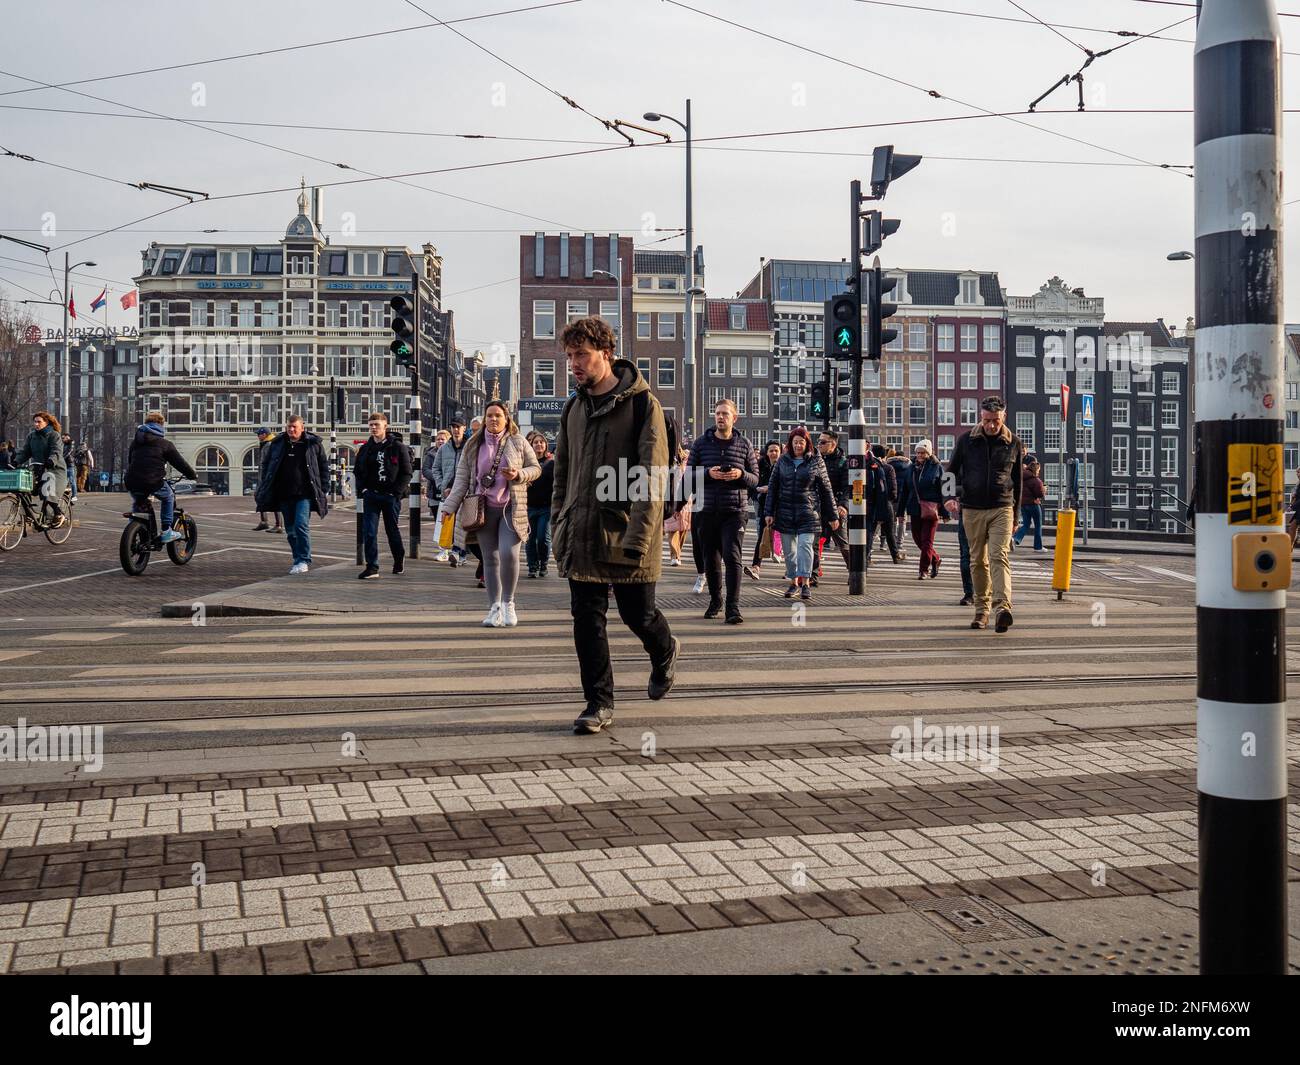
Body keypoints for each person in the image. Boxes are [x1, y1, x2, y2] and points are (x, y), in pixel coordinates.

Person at [550, 315, 677, 735]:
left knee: (638, 615)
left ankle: (665, 650)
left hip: (625, 532)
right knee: (587, 617)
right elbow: (562, 474)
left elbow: (653, 477)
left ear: (607, 354)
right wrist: (557, 524)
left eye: (582, 356)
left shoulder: (644, 406)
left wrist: (639, 538)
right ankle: (598, 702)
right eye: (570, 357)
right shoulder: (572, 408)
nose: (574, 365)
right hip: (580, 531)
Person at [440, 399, 540, 626]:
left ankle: (509, 604)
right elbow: (462, 480)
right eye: (489, 416)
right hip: (482, 510)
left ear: (506, 419)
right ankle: (494, 608)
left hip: (510, 509)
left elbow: (536, 469)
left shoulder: (517, 441)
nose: (493, 419)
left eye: (498, 415)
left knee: (508, 554)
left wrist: (519, 475)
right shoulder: (473, 445)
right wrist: (449, 507)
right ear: (484, 419)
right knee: (490, 559)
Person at [943, 395, 1025, 632]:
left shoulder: (1014, 443)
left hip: (1002, 507)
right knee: (978, 560)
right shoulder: (966, 440)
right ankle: (982, 610)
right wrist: (948, 498)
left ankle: (1003, 608)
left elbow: (1018, 483)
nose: (991, 425)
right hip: (972, 509)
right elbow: (950, 472)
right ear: (981, 417)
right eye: (987, 420)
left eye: (996, 421)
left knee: (999, 555)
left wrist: (1016, 517)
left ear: (1004, 417)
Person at [686, 399, 758, 624]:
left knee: (732, 556)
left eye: (725, 414)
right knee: (711, 559)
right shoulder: (700, 444)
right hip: (706, 510)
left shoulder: (744, 444)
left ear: (734, 418)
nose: (720, 417)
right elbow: (688, 476)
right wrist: (709, 474)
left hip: (734, 510)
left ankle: (733, 607)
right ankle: (715, 599)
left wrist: (740, 475)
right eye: (717, 413)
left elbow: (755, 479)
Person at [764, 426, 837, 602]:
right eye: (795, 442)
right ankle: (793, 581)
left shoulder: (816, 461)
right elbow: (773, 487)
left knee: (805, 547)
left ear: (807, 444)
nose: (798, 445)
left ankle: (805, 582)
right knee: (789, 551)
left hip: (808, 512)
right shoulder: (782, 461)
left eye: (801, 442)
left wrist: (833, 515)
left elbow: (826, 489)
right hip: (785, 512)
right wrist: (769, 512)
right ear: (791, 443)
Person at [254, 414, 330, 575]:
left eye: (294, 427)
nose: (291, 429)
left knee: (301, 525)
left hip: (304, 494)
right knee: (290, 530)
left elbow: (323, 465)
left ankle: (303, 559)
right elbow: (267, 464)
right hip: (284, 494)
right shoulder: (277, 443)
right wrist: (264, 486)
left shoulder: (312, 444)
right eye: (289, 426)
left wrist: (324, 487)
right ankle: (297, 559)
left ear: (302, 427)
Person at [123, 412, 197, 543]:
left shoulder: (135, 442)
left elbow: (130, 461)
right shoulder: (164, 444)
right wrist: (192, 474)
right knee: (168, 496)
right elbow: (180, 463)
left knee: (140, 502)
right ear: (161, 425)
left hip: (131, 480)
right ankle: (166, 530)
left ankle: (134, 531)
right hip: (152, 481)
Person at [354, 412, 411, 579]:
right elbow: (358, 471)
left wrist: (396, 492)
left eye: (376, 424)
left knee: (391, 530)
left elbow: (407, 472)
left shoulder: (397, 447)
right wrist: (363, 490)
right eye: (371, 424)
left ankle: (399, 559)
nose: (373, 427)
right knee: (369, 531)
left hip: (390, 496)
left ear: (385, 426)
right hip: (371, 495)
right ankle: (372, 567)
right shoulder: (365, 449)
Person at [906, 439, 946, 581]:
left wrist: (945, 512)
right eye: (918, 452)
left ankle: (923, 570)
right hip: (915, 508)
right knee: (918, 539)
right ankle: (935, 558)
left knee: (927, 541)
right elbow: (905, 490)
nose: (920, 455)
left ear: (929, 453)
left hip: (931, 509)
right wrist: (900, 512)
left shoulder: (937, 467)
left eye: (923, 452)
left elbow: (943, 490)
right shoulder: (911, 467)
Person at [745, 441, 783, 580]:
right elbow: (753, 482)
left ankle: (792, 570)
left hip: (782, 507)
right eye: (771, 451)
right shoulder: (760, 465)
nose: (773, 453)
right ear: (766, 452)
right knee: (762, 536)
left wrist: (771, 489)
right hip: (765, 506)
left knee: (787, 538)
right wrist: (756, 492)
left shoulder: (785, 465)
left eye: (776, 450)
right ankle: (756, 567)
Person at [15, 412, 69, 511]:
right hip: (39, 469)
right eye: (35, 422)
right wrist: (16, 461)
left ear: (46, 422)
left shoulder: (54, 435)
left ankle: (58, 513)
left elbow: (56, 451)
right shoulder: (32, 436)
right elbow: (25, 452)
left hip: (55, 470)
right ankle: (29, 514)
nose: (36, 424)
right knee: (23, 489)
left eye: (39, 422)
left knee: (47, 491)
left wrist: (50, 461)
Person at [435, 417, 470, 566]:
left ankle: (461, 553)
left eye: (458, 427)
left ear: (464, 428)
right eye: (453, 427)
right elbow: (435, 468)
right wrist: (442, 486)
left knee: (463, 523)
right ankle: (454, 551)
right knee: (450, 522)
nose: (456, 430)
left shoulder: (470, 446)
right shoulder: (444, 449)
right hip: (449, 491)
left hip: (467, 492)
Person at [525, 430, 554, 578]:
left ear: (545, 445)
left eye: (541, 442)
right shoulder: (526, 462)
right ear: (531, 445)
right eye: (535, 442)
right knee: (530, 539)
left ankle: (543, 563)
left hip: (545, 507)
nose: (538, 444)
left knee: (543, 537)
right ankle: (532, 566)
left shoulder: (551, 463)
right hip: (529, 506)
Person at [252, 428, 283, 533]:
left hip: (269, 477)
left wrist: (269, 476)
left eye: (259, 435)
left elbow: (270, 461)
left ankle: (278, 525)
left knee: (273, 499)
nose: (258, 437)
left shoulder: (269, 445)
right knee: (259, 496)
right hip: (265, 476)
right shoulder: (266, 444)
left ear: (264, 434)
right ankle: (264, 521)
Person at [1013, 456, 1046, 552]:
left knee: (1026, 524)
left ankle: (1015, 539)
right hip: (1033, 504)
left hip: (1023, 504)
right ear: (1035, 470)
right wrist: (1044, 490)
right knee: (1038, 525)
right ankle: (1038, 547)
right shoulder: (1036, 481)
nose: (1039, 472)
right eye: (1039, 470)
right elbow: (1039, 494)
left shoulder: (1022, 478)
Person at [887, 446, 912, 558]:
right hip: (903, 497)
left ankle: (891, 542)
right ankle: (899, 543)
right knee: (902, 520)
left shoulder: (888, 465)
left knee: (891, 520)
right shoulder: (909, 466)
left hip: (891, 497)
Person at [423, 428, 448, 518]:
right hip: (434, 492)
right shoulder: (430, 454)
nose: (440, 441)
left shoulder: (452, 453)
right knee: (437, 521)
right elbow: (425, 470)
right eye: (438, 439)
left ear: (448, 440)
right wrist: (439, 477)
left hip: (448, 493)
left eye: (442, 439)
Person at [60, 434, 78, 503]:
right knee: (64, 480)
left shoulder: (71, 443)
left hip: (70, 464)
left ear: (67, 437)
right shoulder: (64, 445)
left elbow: (68, 452)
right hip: (64, 464)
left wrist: (62, 458)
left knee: (71, 480)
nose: (62, 439)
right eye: (62, 438)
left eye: (63, 438)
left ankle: (74, 496)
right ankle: (66, 496)